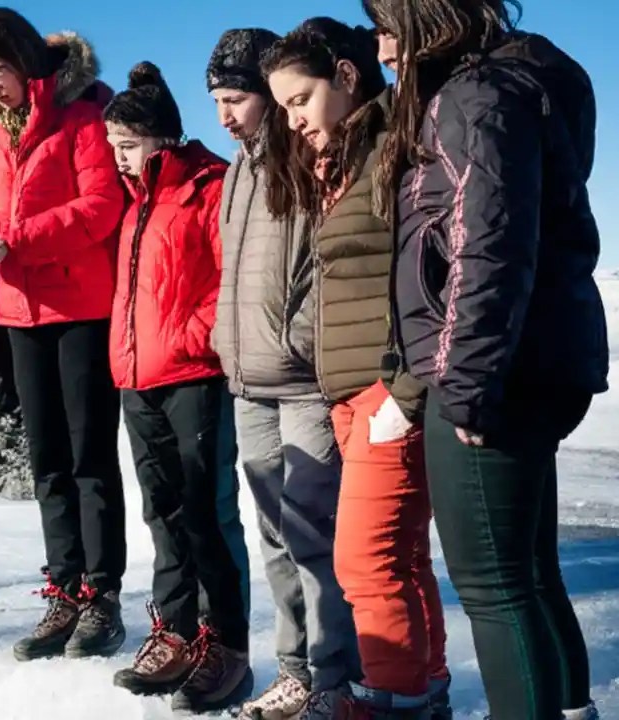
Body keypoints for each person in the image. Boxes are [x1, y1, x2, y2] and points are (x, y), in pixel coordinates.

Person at [363, 1, 607, 719]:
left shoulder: (476, 97)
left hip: (488, 368)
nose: (381, 49)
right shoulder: (516, 85)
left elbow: (489, 245)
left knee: (495, 588)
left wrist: (467, 383)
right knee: (529, 575)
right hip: (526, 360)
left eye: (387, 26)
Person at [263, 17, 450, 719]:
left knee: (365, 561)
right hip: (350, 392)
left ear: (345, 75)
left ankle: (391, 702)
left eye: (299, 100)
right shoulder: (344, 158)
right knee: (400, 559)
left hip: (384, 388)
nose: (293, 120)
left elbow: (428, 267)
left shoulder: (394, 143)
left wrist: (403, 390)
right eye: (283, 107)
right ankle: (424, 692)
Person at [0, 6, 127, 662]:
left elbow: (101, 206)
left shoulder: (80, 117)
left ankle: (102, 596)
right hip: (19, 313)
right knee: (47, 461)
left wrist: (15, 240)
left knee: (89, 459)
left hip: (81, 307)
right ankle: (64, 590)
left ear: (24, 61)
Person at [205, 28, 360, 720]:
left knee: (312, 534)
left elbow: (330, 262)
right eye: (217, 101)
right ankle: (296, 671)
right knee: (273, 536)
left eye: (235, 99)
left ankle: (335, 678)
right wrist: (227, 343)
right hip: (248, 381)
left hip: (302, 381)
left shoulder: (308, 154)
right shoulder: (236, 171)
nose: (224, 115)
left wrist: (300, 342)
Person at [101, 60, 253, 712]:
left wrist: (190, 336)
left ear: (162, 138)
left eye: (128, 144)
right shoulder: (137, 202)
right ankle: (176, 632)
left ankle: (228, 646)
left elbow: (231, 278)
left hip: (194, 375)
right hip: (139, 379)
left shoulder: (208, 185)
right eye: (113, 146)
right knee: (161, 511)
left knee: (206, 513)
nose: (118, 157)